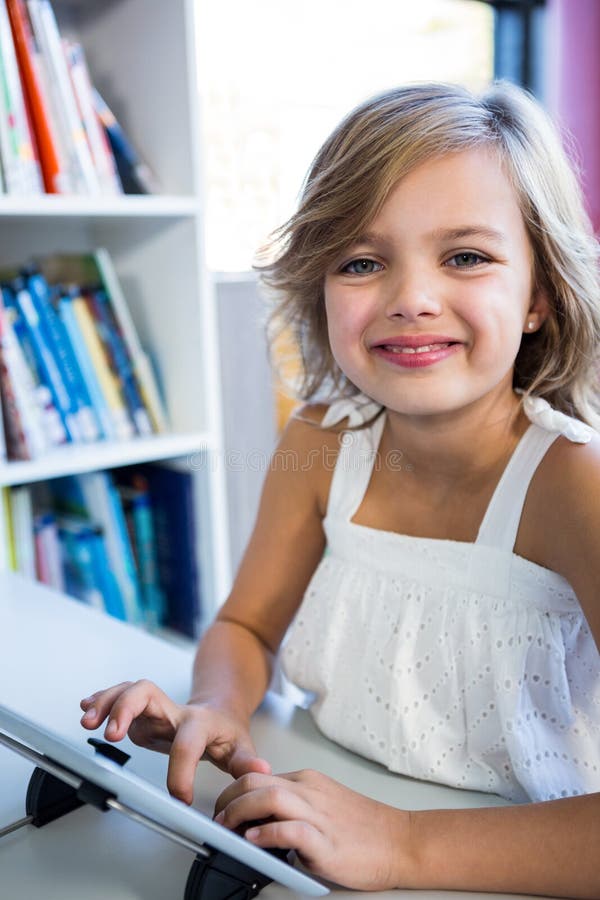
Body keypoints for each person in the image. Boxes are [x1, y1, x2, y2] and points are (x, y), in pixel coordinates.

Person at [79, 82, 600, 896]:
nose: (411, 300)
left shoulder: (577, 485)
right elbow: (247, 624)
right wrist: (217, 708)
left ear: (538, 295)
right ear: (320, 293)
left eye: (465, 256)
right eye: (361, 262)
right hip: (330, 828)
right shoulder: (322, 442)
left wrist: (402, 844)